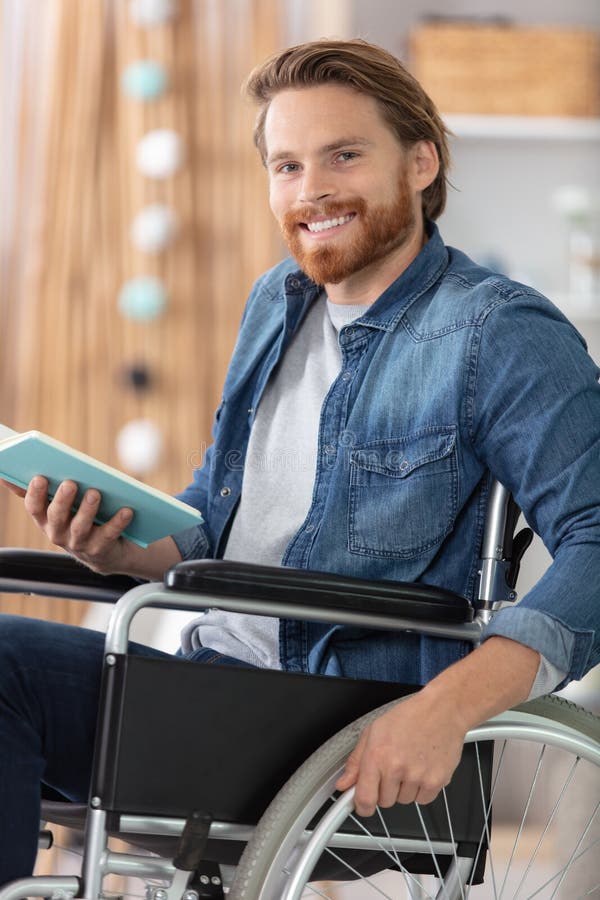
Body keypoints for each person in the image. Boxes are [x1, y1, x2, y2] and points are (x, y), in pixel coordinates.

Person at [1, 38, 599, 885]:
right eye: (286, 166)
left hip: (330, 726)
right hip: (214, 688)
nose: (310, 191)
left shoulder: (497, 334)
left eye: (343, 156)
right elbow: (220, 513)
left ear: (421, 162)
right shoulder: (277, 302)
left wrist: (447, 708)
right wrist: (118, 547)